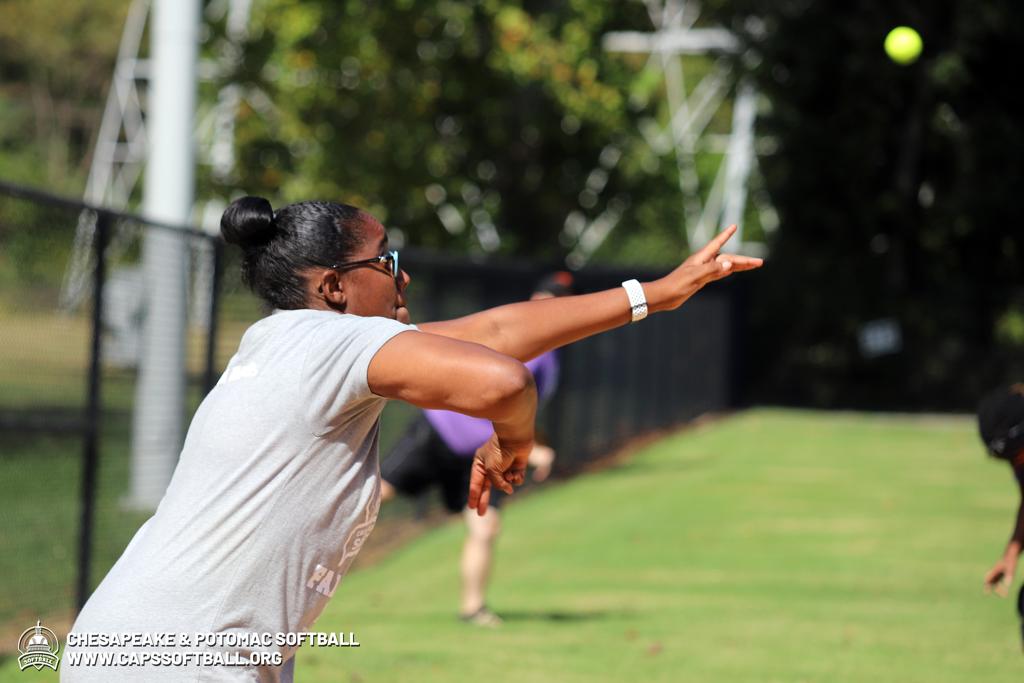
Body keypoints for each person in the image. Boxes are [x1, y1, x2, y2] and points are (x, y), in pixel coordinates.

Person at [63, 196, 762, 682]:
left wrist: (655, 294)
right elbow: (505, 382)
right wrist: (512, 443)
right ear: (334, 287)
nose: (402, 273)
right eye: (385, 258)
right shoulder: (329, 344)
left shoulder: (293, 341)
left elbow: (495, 333)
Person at [380, 272, 573, 627]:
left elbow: (518, 411)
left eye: (560, 303)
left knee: (486, 528)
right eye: (544, 300)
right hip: (442, 430)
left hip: (482, 452)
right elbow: (488, 395)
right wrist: (532, 450)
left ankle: (473, 609)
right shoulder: (517, 339)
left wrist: (532, 443)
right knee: (376, 494)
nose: (548, 310)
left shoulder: (551, 357)